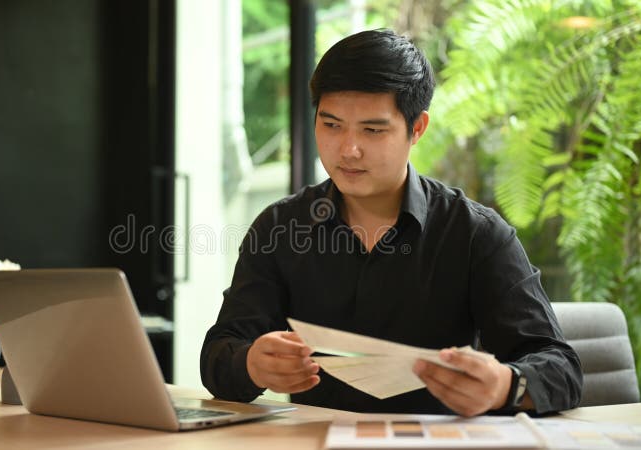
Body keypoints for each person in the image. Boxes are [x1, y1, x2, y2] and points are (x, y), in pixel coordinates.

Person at [200, 29, 582, 416]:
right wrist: (251, 364)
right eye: (331, 125)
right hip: (315, 441)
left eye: (373, 130)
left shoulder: (474, 234)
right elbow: (219, 352)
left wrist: (505, 386)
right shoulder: (280, 227)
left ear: (417, 128)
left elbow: (561, 369)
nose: (348, 149)